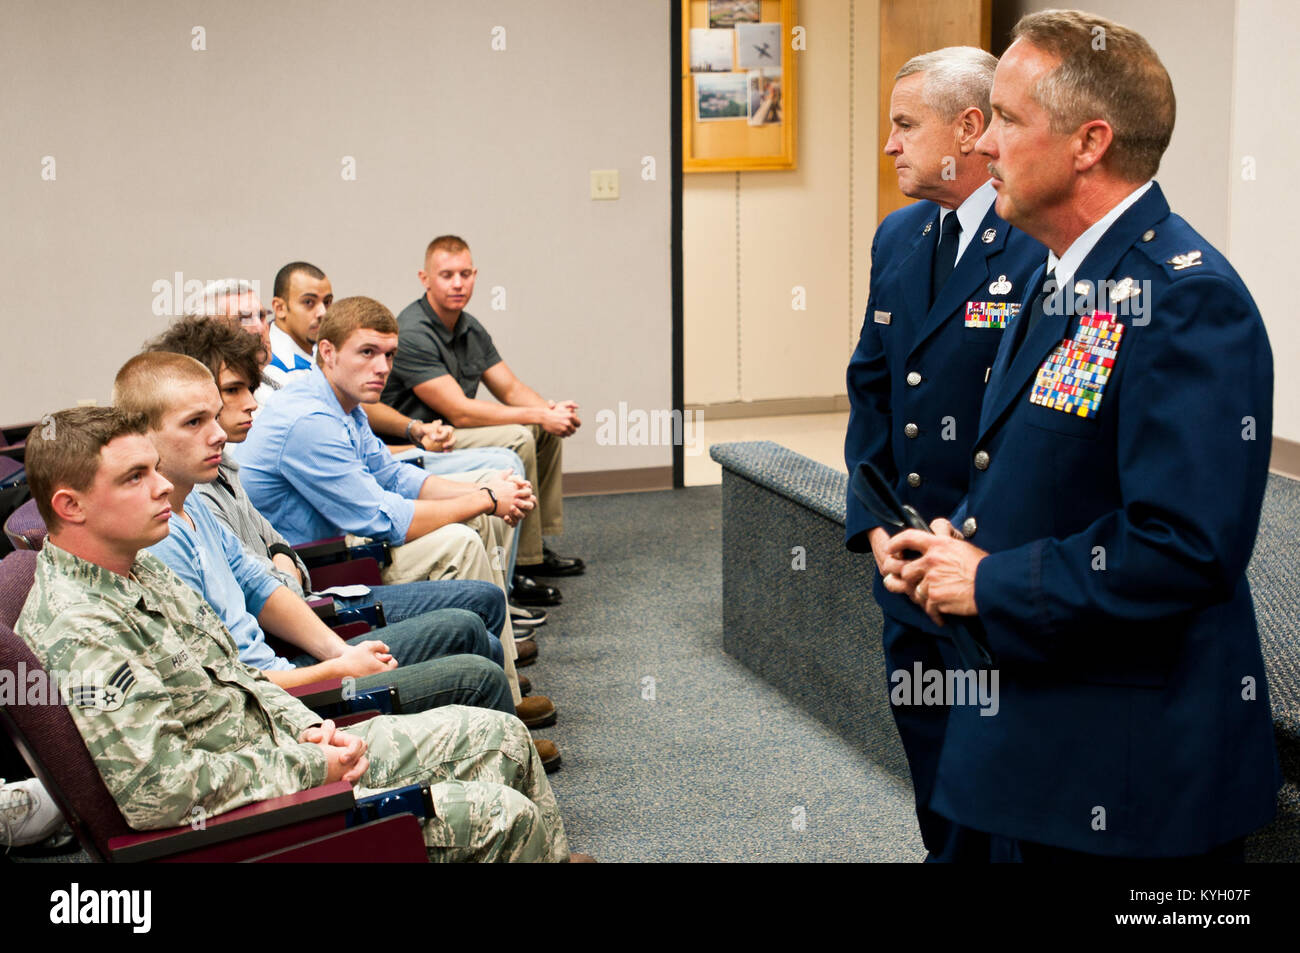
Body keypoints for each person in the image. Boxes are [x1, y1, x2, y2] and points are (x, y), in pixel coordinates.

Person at [882, 10, 1277, 860]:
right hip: (1041, 727)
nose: (984, 146)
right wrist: (961, 536)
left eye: (1010, 120)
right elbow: (1053, 469)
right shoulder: (1065, 272)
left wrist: (989, 579)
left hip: (1128, 765)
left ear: (1089, 142)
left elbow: (1184, 545)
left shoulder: (1184, 299)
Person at [16, 406, 580, 861]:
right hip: (251, 817)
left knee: (502, 736)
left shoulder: (138, 567)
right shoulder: (82, 628)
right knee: (505, 816)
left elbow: (238, 677)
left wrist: (312, 729)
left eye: (154, 468)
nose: (164, 487)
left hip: (280, 755)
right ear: (71, 505)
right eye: (135, 477)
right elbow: (158, 793)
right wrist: (313, 765)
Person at [843, 46, 1045, 862]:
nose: (890, 145)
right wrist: (875, 522)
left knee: (993, 780)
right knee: (928, 756)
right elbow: (872, 389)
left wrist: (973, 550)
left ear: (969, 128)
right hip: (906, 566)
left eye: (903, 125)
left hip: (988, 567)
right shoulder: (898, 237)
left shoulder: (1034, 246)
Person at [381, 235, 584, 601]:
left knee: (541, 430)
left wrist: (549, 413)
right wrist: (539, 414)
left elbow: (509, 387)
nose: (457, 283)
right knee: (520, 437)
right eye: (446, 275)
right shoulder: (413, 331)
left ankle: (535, 548)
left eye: (464, 274)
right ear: (425, 278)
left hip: (454, 431)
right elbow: (459, 409)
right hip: (420, 440)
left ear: (475, 275)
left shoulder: (469, 327)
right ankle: (519, 562)